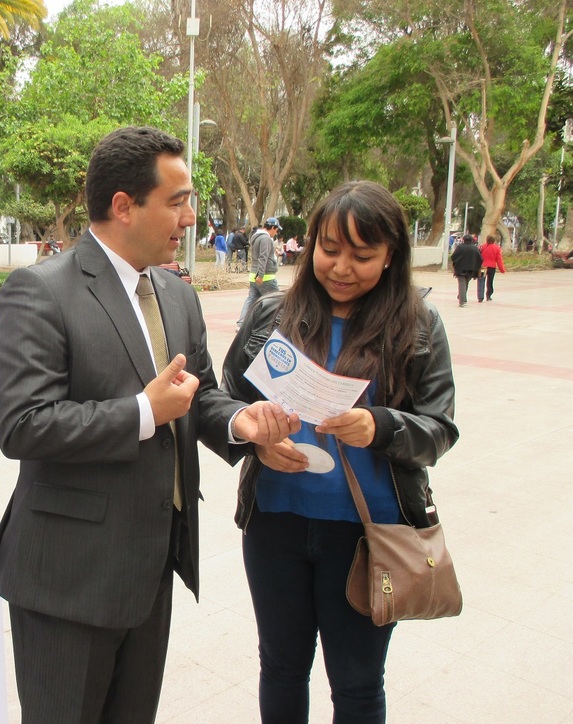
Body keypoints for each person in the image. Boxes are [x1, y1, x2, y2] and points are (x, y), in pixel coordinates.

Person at [0, 126, 300, 723]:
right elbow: (22, 424)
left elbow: (197, 396)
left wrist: (242, 423)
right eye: (177, 201)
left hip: (151, 564)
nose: (190, 217)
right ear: (123, 206)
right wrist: (141, 413)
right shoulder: (41, 291)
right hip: (67, 580)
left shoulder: (176, 296)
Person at [221, 180, 459, 724]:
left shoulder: (418, 326)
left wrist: (379, 426)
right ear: (310, 246)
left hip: (367, 536)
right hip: (275, 524)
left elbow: (439, 429)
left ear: (391, 256)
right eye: (330, 249)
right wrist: (255, 435)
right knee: (280, 667)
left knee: (355, 684)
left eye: (363, 255)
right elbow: (225, 397)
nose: (342, 268)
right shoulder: (270, 315)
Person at [235, 217, 282, 330]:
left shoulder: (256, 237)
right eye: (276, 230)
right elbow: (263, 257)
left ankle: (241, 324)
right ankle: (276, 325)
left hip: (254, 274)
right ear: (272, 228)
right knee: (276, 301)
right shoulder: (265, 239)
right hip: (265, 277)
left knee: (251, 300)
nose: (276, 233)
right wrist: (260, 275)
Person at [451, 233, 483, 307]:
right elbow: (480, 259)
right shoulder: (475, 248)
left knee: (462, 284)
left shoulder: (460, 247)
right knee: (465, 283)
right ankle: (462, 296)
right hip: (471, 270)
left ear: (463, 240)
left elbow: (453, 257)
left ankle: (462, 300)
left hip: (460, 269)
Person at [479, 234, 506, 302]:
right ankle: (489, 295)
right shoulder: (497, 248)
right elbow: (499, 259)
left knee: (481, 280)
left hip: (483, 267)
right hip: (492, 267)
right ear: (494, 240)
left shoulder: (482, 247)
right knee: (490, 281)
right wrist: (502, 269)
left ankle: (480, 296)